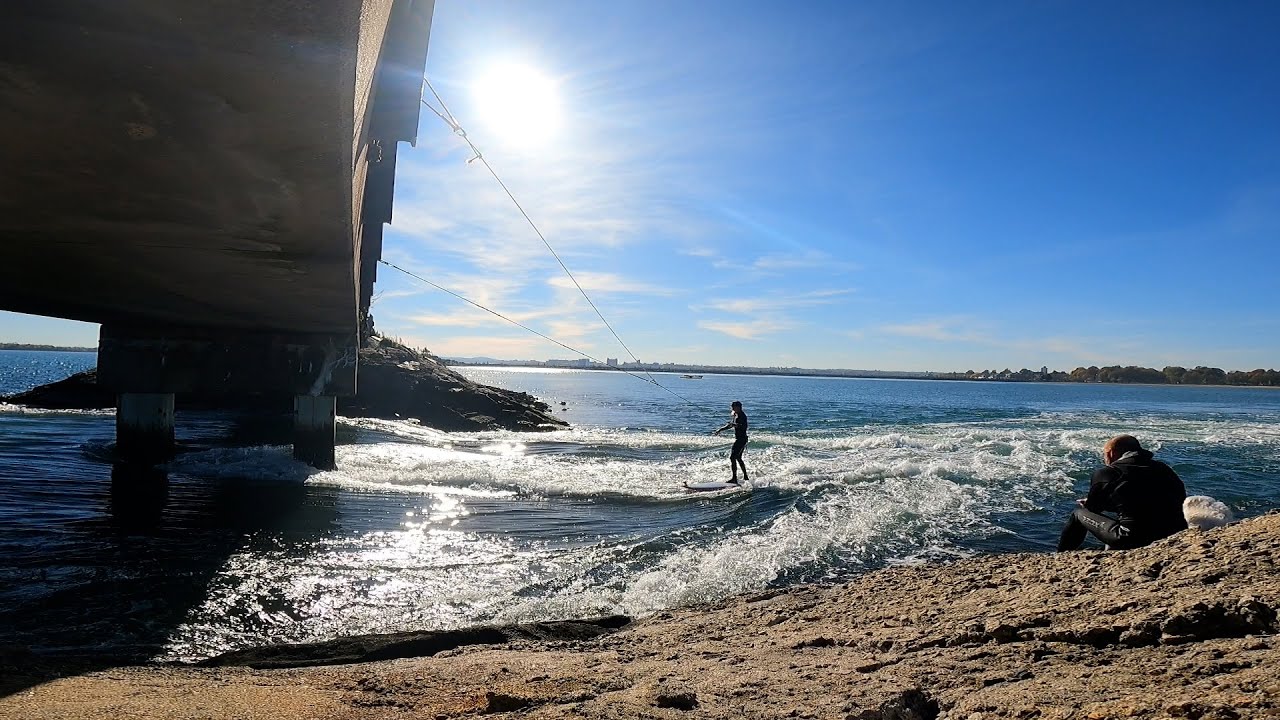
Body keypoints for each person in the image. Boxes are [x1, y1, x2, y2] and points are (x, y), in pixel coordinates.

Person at [1056, 434, 1187, 551]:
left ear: (1111, 453)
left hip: (1132, 537)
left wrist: (1088, 503)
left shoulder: (1108, 473)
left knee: (1078, 514)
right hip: (1174, 534)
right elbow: (1152, 500)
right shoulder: (1164, 469)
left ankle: (1061, 555)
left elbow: (1094, 508)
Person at [712, 400, 750, 485]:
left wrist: (735, 425)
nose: (732, 408)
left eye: (733, 407)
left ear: (738, 407)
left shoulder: (742, 416)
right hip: (740, 439)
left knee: (733, 458)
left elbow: (743, 427)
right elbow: (730, 425)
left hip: (741, 440)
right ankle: (745, 476)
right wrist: (720, 429)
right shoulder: (736, 414)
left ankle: (734, 479)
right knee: (738, 458)